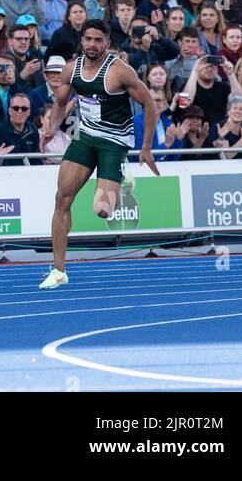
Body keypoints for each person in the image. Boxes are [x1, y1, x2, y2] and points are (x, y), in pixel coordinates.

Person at [41, 20, 158, 290]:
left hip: (114, 142)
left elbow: (150, 104)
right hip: (85, 136)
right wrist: (51, 129)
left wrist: (146, 148)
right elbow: (60, 102)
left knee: (102, 210)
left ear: (107, 43)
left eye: (98, 40)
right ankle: (59, 270)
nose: (93, 45)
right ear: (81, 41)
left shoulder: (119, 71)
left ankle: (119, 179)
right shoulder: (72, 69)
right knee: (62, 199)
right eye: (88, 39)